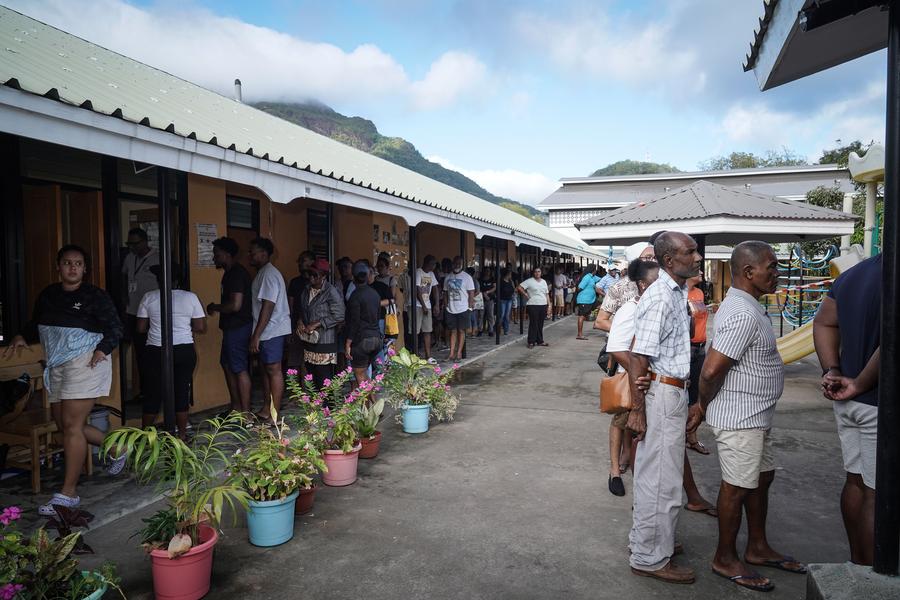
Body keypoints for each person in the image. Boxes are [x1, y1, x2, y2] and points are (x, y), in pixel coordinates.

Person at [688, 241, 804, 591]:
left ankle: (757, 547)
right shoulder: (741, 313)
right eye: (772, 266)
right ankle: (725, 557)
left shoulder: (748, 305)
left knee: (761, 478)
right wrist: (701, 407)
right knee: (736, 487)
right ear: (749, 272)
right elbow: (710, 371)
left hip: (756, 415)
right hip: (740, 418)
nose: (777, 272)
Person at [4, 245, 123, 516]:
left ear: (85, 269)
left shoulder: (95, 296)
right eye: (67, 263)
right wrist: (22, 334)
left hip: (85, 363)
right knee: (65, 426)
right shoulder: (48, 294)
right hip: (57, 364)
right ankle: (115, 447)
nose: (72, 268)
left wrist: (102, 349)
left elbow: (115, 328)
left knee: (71, 426)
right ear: (58, 266)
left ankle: (68, 494)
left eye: (78, 263)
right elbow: (37, 322)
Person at [626, 231, 701, 584]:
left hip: (670, 392)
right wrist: (637, 411)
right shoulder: (660, 297)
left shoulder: (673, 292)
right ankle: (650, 557)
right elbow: (639, 354)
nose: (697, 258)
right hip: (662, 394)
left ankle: (653, 541)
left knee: (658, 475)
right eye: (691, 252)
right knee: (661, 479)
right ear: (670, 260)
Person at [813, 252, 882, 566]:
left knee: (856, 482)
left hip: (849, 401)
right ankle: (874, 576)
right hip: (879, 403)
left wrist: (832, 371)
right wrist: (861, 382)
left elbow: (824, 321)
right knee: (877, 493)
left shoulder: (853, 275)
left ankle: (858, 564)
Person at [606, 258, 660, 497]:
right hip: (629, 377)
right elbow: (616, 348)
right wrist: (640, 374)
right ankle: (615, 471)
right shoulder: (630, 309)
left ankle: (630, 463)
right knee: (620, 423)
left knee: (634, 428)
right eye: (655, 282)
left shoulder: (650, 308)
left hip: (643, 378)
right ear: (642, 285)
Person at [137, 264, 206, 440]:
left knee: (153, 393)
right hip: (183, 349)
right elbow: (200, 327)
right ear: (177, 280)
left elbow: (140, 327)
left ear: (158, 280)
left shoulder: (149, 297)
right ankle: (181, 435)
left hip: (155, 350)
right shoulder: (190, 297)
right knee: (181, 391)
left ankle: (144, 437)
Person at [207, 237, 253, 415]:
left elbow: (235, 305)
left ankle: (246, 413)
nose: (214, 258)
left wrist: (215, 307)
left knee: (238, 368)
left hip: (238, 327)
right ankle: (236, 408)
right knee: (227, 365)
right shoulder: (229, 273)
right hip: (231, 328)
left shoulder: (236, 274)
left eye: (216, 254)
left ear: (227, 254)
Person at [248, 238, 292, 422]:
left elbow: (268, 305)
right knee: (267, 370)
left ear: (264, 254)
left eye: (254, 251)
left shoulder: (269, 274)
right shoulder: (263, 273)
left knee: (274, 369)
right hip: (268, 330)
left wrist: (256, 335)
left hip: (273, 329)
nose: (250, 254)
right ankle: (267, 407)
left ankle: (273, 413)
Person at [121, 227, 159, 399]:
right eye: (129, 244)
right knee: (139, 354)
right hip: (132, 312)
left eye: (135, 243)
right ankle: (144, 391)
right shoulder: (129, 258)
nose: (132, 247)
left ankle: (155, 390)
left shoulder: (157, 258)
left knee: (153, 353)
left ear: (145, 242)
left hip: (151, 314)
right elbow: (123, 277)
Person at [296, 258, 345, 391]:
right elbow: (303, 310)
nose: (311, 277)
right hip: (309, 340)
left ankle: (327, 409)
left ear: (323, 276)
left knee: (323, 378)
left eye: (315, 275)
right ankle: (316, 407)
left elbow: (340, 315)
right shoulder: (306, 290)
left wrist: (318, 323)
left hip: (325, 341)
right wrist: (301, 321)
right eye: (310, 273)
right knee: (311, 375)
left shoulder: (330, 291)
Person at [345, 261, 383, 385]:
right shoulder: (375, 294)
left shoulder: (355, 296)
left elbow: (354, 322)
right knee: (364, 374)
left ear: (353, 277)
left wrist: (348, 342)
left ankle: (370, 404)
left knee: (360, 375)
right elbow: (377, 317)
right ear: (368, 276)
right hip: (376, 338)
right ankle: (372, 402)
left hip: (362, 340)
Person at [686, 274, 710, 455]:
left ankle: (691, 436)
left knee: (696, 396)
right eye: (697, 270)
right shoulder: (678, 293)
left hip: (700, 347)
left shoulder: (699, 293)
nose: (701, 273)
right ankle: (680, 437)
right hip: (685, 349)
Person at [286, 250, 316, 372]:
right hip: (296, 325)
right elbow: (290, 306)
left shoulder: (316, 282)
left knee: (310, 362)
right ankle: (298, 390)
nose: (300, 264)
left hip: (313, 325)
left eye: (303, 260)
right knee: (295, 361)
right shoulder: (295, 282)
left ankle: (307, 389)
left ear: (312, 262)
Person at [443, 256, 476, 361]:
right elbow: (445, 292)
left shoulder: (467, 277)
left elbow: (471, 293)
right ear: (453, 264)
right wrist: (446, 304)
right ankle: (451, 353)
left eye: (459, 263)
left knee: (461, 331)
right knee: (452, 331)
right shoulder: (448, 277)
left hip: (463, 308)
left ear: (462, 264)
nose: (457, 265)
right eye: (455, 263)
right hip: (451, 309)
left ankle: (459, 353)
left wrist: (470, 307)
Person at [517, 267, 551, 349]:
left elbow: (546, 294)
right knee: (533, 323)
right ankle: (531, 342)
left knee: (540, 324)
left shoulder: (543, 282)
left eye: (539, 271)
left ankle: (540, 341)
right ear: (533, 273)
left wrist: (549, 305)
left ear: (541, 273)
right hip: (533, 304)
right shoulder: (529, 281)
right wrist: (525, 295)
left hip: (543, 304)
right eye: (535, 272)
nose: (537, 273)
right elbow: (519, 287)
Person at [415, 255, 440, 364]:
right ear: (428, 263)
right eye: (433, 264)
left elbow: (435, 289)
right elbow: (417, 290)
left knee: (427, 331)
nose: (434, 266)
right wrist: (423, 305)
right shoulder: (418, 272)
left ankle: (428, 356)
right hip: (417, 305)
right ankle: (414, 355)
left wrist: (437, 304)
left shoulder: (431, 274)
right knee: (416, 331)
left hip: (428, 305)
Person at [575, 265, 600, 340]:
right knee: (582, 316)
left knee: (601, 307)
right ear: (593, 270)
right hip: (584, 300)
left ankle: (597, 322)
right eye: (595, 270)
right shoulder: (587, 277)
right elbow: (579, 287)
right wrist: (584, 292)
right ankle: (579, 334)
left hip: (592, 299)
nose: (596, 271)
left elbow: (601, 279)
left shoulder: (593, 277)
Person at [479, 269, 497, 337]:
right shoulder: (480, 279)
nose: (487, 272)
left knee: (490, 315)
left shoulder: (492, 279)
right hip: (481, 300)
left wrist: (487, 292)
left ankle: (490, 330)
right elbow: (479, 288)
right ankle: (480, 330)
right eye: (486, 271)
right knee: (481, 315)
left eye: (489, 271)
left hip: (490, 299)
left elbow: (495, 287)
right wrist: (484, 294)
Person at [498, 268, 515, 335]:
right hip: (502, 299)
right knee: (502, 315)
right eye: (510, 274)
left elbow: (513, 289)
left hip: (509, 299)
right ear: (507, 274)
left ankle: (506, 329)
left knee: (507, 315)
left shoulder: (511, 281)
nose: (511, 275)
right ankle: (498, 328)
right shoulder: (501, 281)